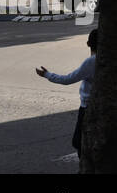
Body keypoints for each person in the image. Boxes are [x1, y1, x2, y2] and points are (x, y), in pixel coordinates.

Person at [37, 30, 97, 159]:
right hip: (102, 106)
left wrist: (47, 75)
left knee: (79, 142)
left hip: (88, 108)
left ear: (88, 44)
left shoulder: (91, 62)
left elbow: (68, 79)